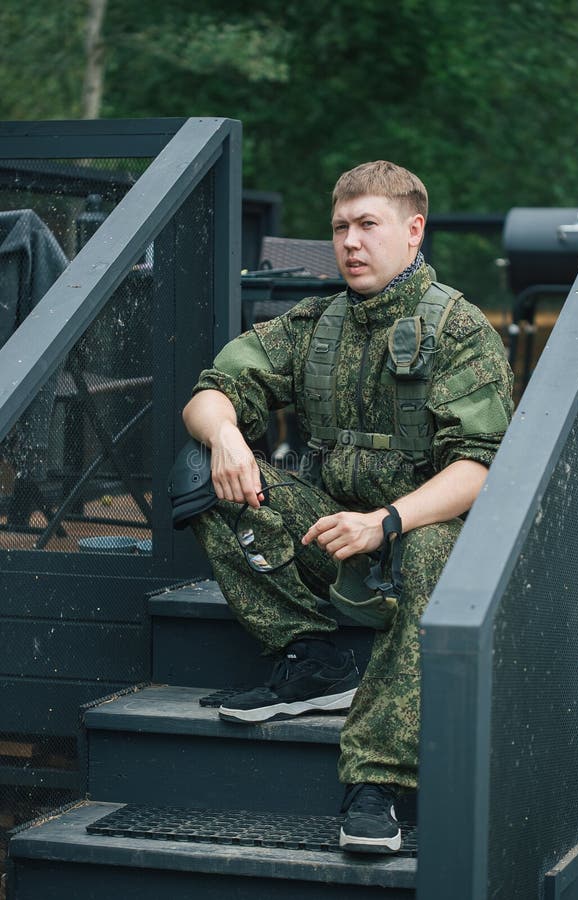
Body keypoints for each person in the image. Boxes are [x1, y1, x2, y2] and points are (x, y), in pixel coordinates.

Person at [182, 160, 513, 854]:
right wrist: (225, 439)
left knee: (427, 546)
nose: (351, 243)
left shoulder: (460, 330)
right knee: (203, 480)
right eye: (340, 227)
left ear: (413, 231)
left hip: (422, 536)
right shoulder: (313, 324)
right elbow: (211, 389)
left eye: (369, 225)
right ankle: (312, 656)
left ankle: (377, 781)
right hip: (334, 536)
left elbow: (478, 467)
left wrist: (386, 521)